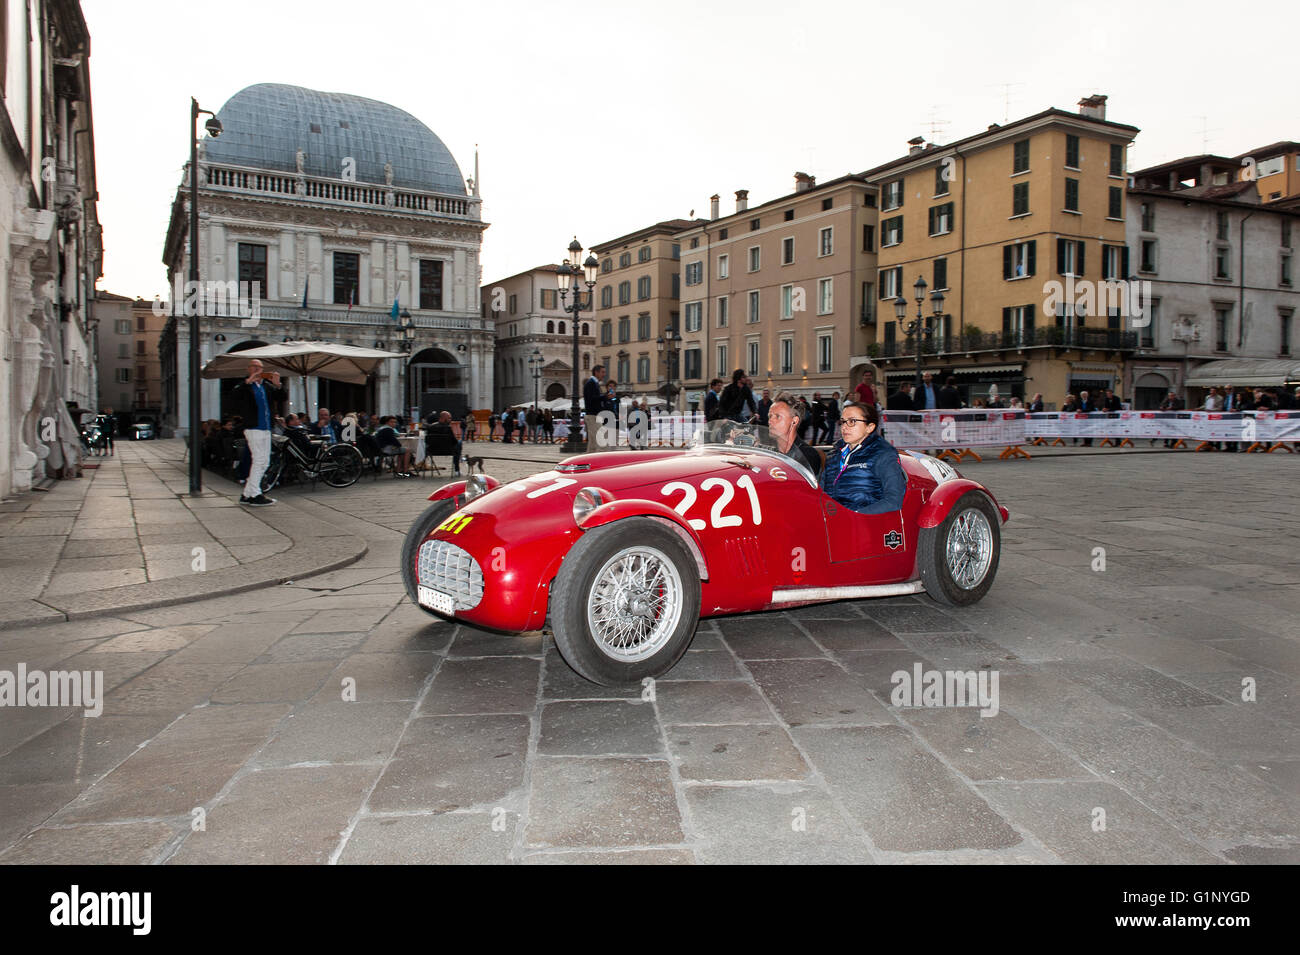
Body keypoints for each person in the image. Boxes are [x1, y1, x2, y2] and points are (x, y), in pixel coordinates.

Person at [820, 401, 907, 514]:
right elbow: (820, 493)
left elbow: (893, 500)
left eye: (852, 421)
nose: (844, 427)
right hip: (831, 521)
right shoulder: (834, 454)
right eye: (842, 422)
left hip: (865, 523)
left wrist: (855, 516)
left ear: (870, 427)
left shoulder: (883, 454)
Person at [230, 359, 286, 505]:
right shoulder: (245, 386)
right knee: (259, 460)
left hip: (267, 427)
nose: (257, 369)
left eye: (260, 367)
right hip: (253, 428)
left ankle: (247, 493)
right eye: (254, 367)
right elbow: (234, 397)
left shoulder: (267, 386)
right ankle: (255, 494)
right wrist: (248, 381)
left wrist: (278, 384)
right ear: (248, 369)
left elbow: (282, 397)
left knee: (265, 462)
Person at [767, 395, 822, 477]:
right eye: (770, 416)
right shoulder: (768, 452)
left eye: (778, 416)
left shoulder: (807, 456)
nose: (770, 421)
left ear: (794, 421)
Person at [425, 411, 463, 475]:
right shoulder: (448, 428)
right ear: (443, 418)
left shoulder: (431, 427)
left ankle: (420, 463)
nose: (450, 420)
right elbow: (454, 441)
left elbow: (427, 440)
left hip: (432, 450)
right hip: (448, 450)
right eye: (449, 418)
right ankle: (456, 468)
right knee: (459, 443)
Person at [584, 364, 606, 450]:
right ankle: (598, 460)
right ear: (596, 372)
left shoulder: (594, 383)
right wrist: (605, 397)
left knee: (593, 443)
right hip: (593, 415)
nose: (604, 374)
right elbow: (591, 399)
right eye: (602, 372)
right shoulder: (591, 383)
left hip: (594, 415)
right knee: (599, 440)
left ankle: (589, 460)